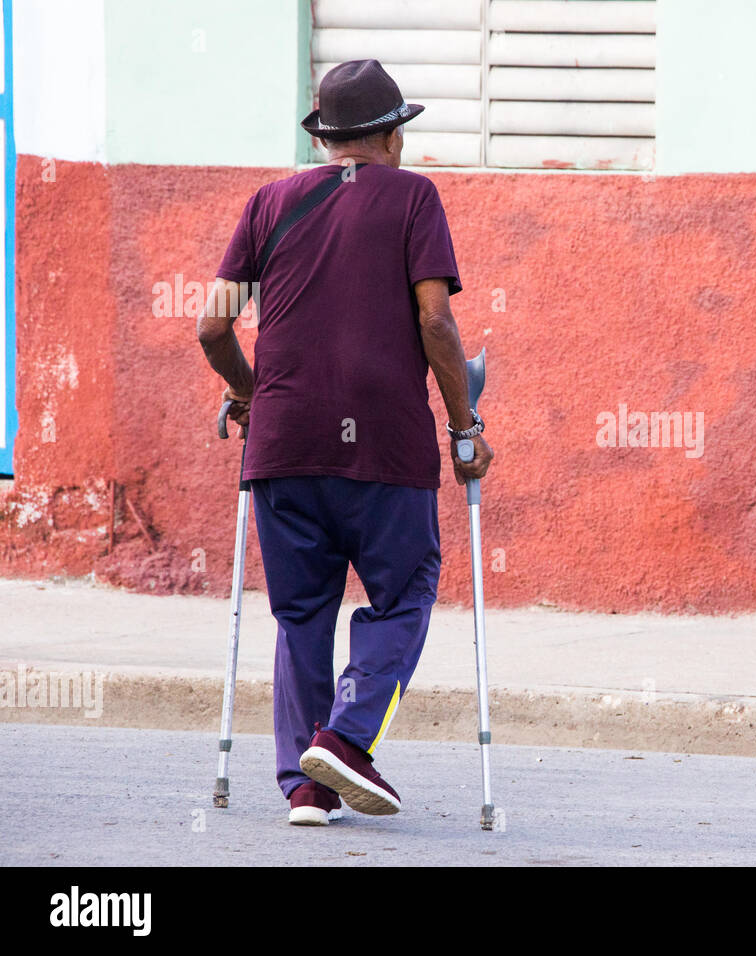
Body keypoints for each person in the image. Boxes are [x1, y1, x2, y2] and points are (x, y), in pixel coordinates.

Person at [197, 59, 493, 826]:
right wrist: (465, 427)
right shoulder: (413, 198)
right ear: (392, 138)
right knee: (403, 595)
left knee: (302, 616)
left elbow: (211, 326)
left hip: (283, 444)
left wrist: (249, 393)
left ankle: (307, 787)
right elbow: (434, 322)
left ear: (328, 138)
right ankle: (347, 739)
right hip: (384, 447)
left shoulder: (268, 203)